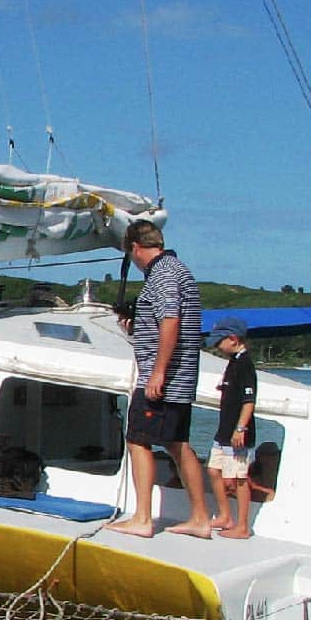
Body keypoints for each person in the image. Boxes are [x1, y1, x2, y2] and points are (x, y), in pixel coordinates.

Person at [105, 221, 213, 538]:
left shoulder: (163, 274)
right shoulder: (179, 270)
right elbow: (164, 320)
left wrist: (158, 372)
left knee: (138, 439)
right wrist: (136, 328)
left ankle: (142, 518)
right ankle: (200, 517)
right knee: (178, 444)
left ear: (135, 248)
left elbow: (171, 320)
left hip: (164, 378)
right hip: (180, 378)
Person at [204, 316, 258, 539]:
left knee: (238, 477)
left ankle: (243, 526)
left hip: (236, 431)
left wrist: (241, 428)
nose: (217, 347)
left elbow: (249, 400)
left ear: (233, 339)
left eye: (219, 342)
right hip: (224, 429)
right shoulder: (233, 363)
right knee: (214, 469)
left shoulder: (245, 364)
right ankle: (225, 515)